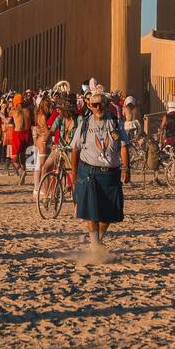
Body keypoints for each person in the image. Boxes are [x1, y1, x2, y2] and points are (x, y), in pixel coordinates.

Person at [71, 90, 130, 246]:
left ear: (106, 105)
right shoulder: (84, 124)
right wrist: (74, 173)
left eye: (101, 104)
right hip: (89, 172)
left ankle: (97, 240)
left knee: (108, 215)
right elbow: (75, 149)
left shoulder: (115, 123)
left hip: (110, 174)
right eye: (94, 105)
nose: (98, 108)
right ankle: (95, 244)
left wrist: (126, 168)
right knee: (91, 213)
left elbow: (123, 146)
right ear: (90, 106)